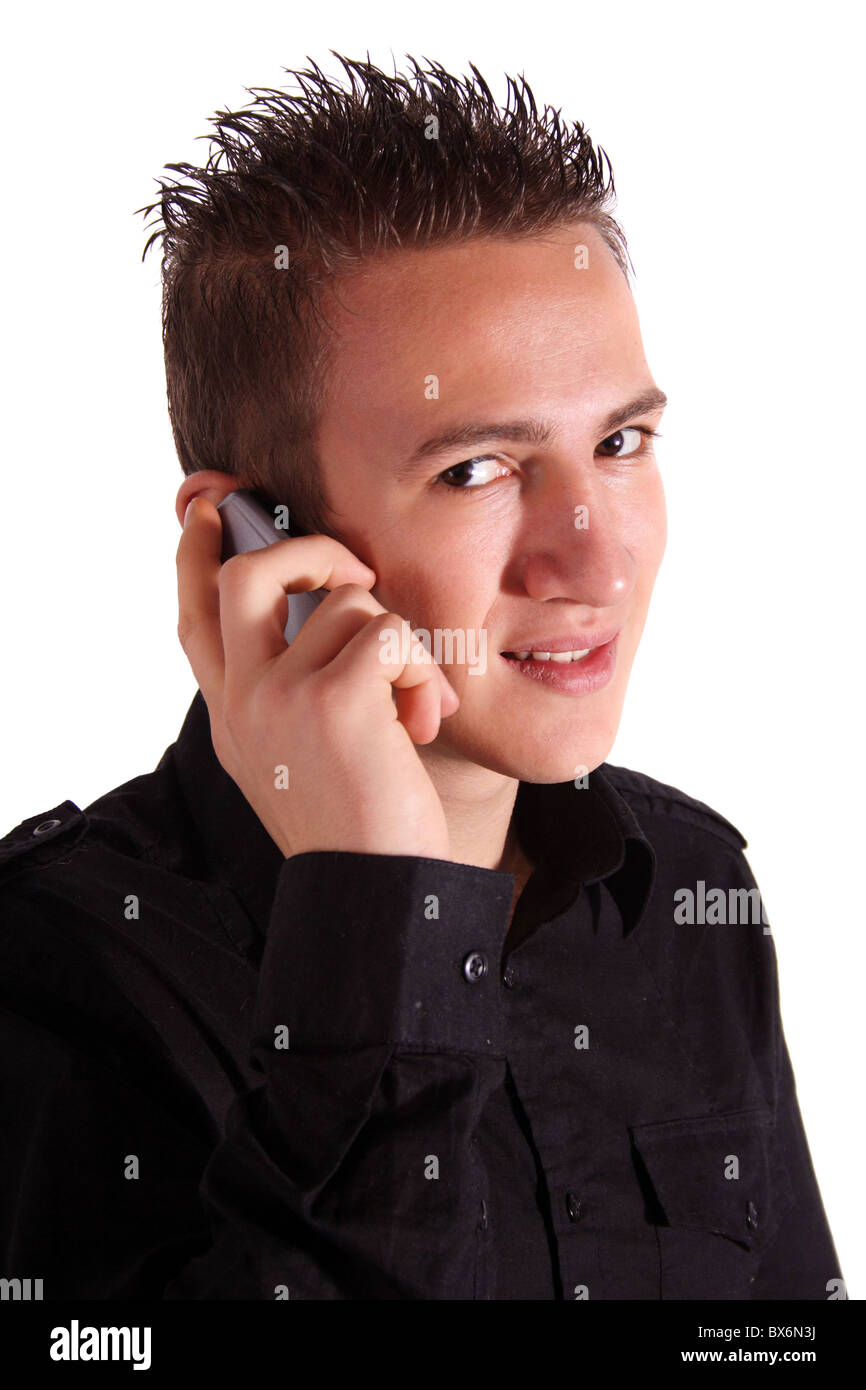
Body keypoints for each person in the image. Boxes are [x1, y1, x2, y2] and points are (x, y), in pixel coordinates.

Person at [0, 53, 843, 1300]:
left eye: (617, 443)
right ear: (256, 543)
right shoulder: (52, 970)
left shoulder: (685, 894)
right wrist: (379, 908)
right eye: (477, 470)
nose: (594, 555)